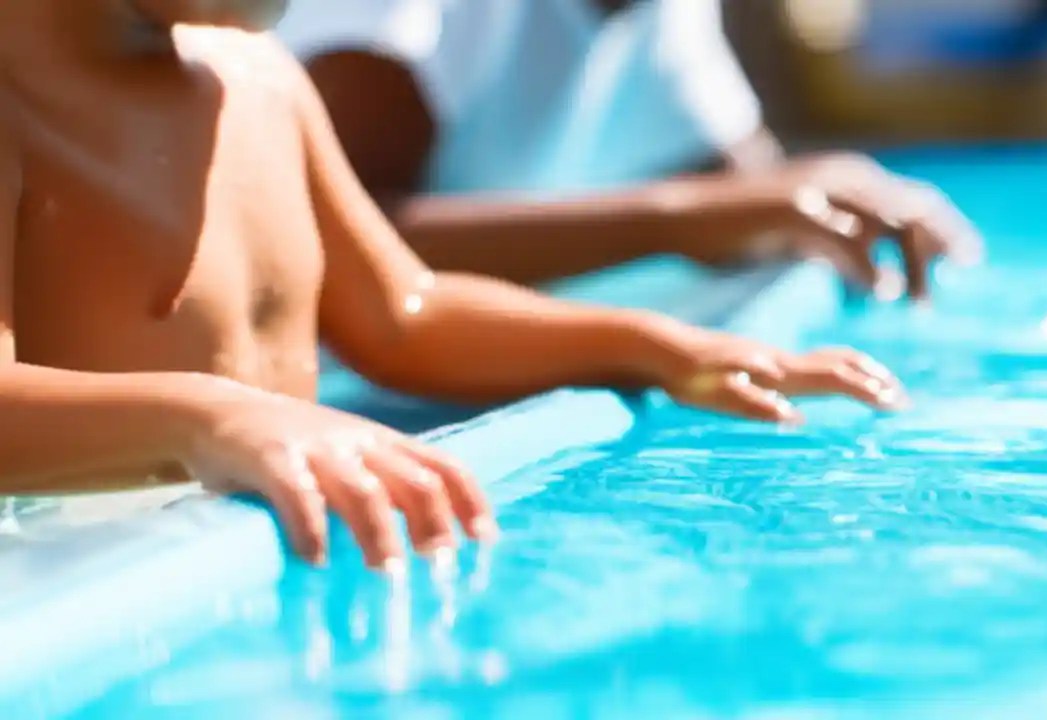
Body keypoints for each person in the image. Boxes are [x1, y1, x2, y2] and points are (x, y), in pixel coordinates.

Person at [0, 0, 907, 573]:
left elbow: (403, 315)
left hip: (291, 561)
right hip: (92, 587)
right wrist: (216, 417)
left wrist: (649, 344)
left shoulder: (264, 82)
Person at [274, 0, 982, 295]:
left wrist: (841, 185)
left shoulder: (657, 10)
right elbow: (316, 249)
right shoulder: (403, 20)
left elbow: (745, 188)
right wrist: (680, 219)